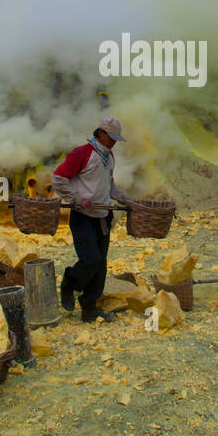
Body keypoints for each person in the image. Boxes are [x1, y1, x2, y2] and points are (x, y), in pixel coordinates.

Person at [51, 117, 134, 323]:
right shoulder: (82, 153)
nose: (114, 142)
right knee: (91, 259)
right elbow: (58, 178)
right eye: (111, 137)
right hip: (83, 217)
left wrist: (126, 199)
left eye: (116, 138)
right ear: (101, 133)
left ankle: (89, 307)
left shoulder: (109, 156)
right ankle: (70, 282)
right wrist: (77, 199)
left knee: (101, 265)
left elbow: (109, 185)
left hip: (102, 216)